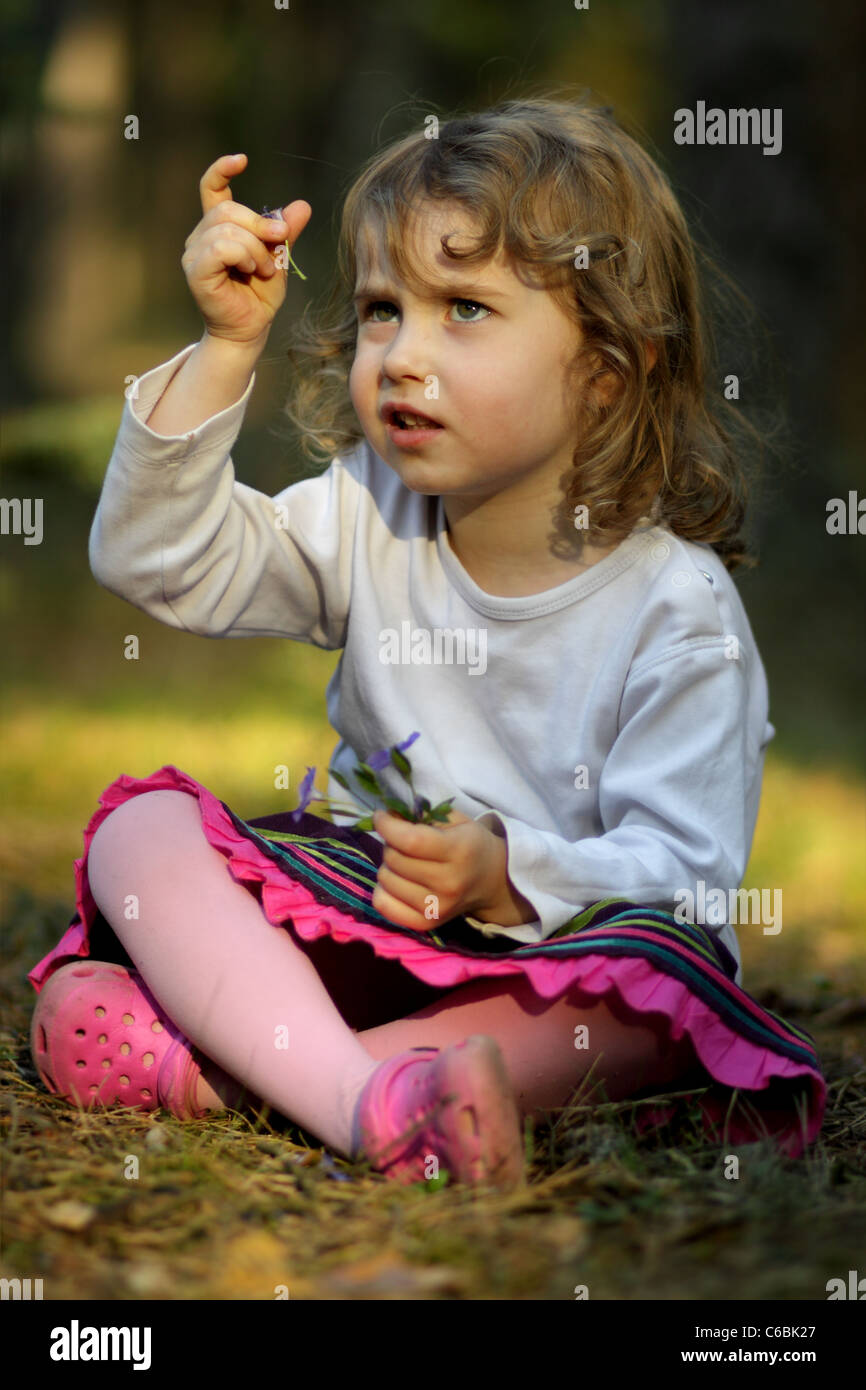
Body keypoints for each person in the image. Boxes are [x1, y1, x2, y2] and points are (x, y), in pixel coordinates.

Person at [28, 97, 825, 1190]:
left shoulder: (676, 611)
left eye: (465, 309)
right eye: (380, 310)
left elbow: (683, 876)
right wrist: (226, 348)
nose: (403, 355)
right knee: (143, 829)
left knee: (662, 981)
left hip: (550, 970)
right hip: (366, 923)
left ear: (607, 367)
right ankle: (375, 1102)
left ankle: (247, 1074)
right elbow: (156, 560)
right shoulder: (370, 511)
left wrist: (507, 877)